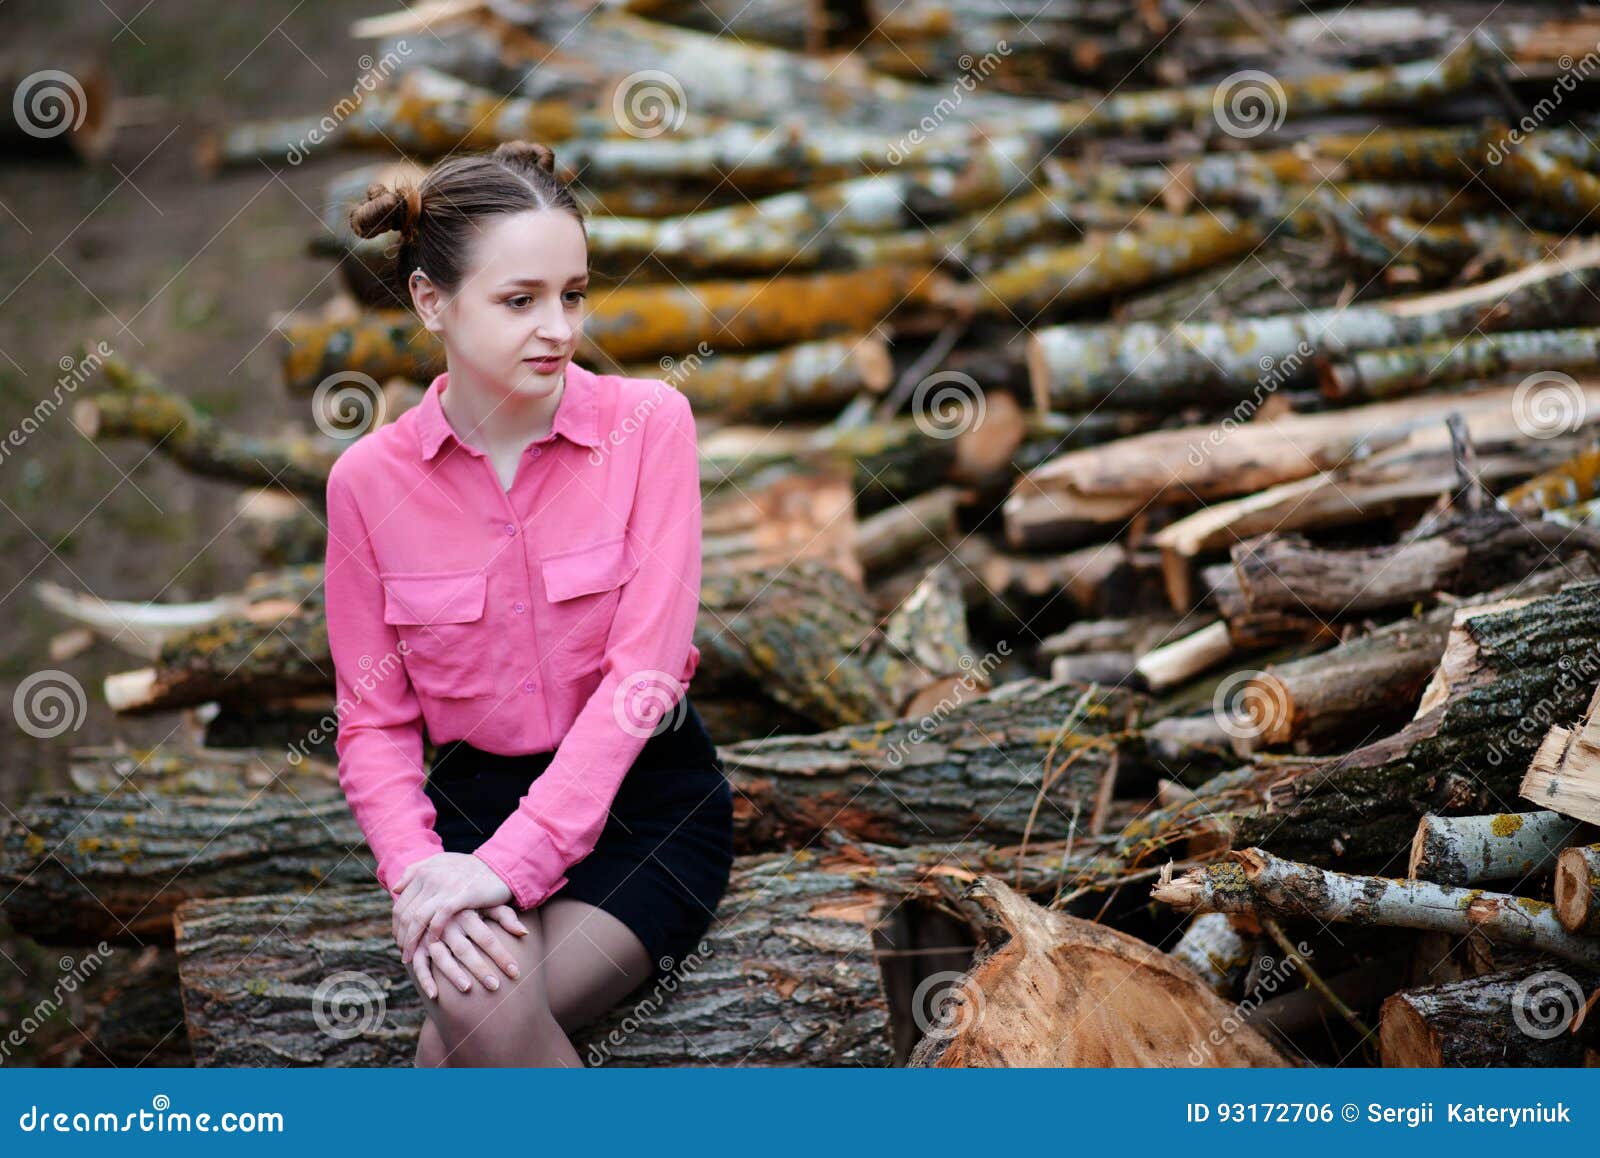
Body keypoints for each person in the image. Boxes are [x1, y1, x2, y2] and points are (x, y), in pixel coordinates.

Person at [324, 139, 733, 1067]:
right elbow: (372, 723)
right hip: (468, 812)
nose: (559, 327)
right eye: (520, 300)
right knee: (467, 1030)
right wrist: (419, 871)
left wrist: (508, 869)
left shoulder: (649, 428)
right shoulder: (365, 483)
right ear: (432, 301)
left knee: (448, 1058)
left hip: (646, 799)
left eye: (573, 294)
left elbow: (644, 676)